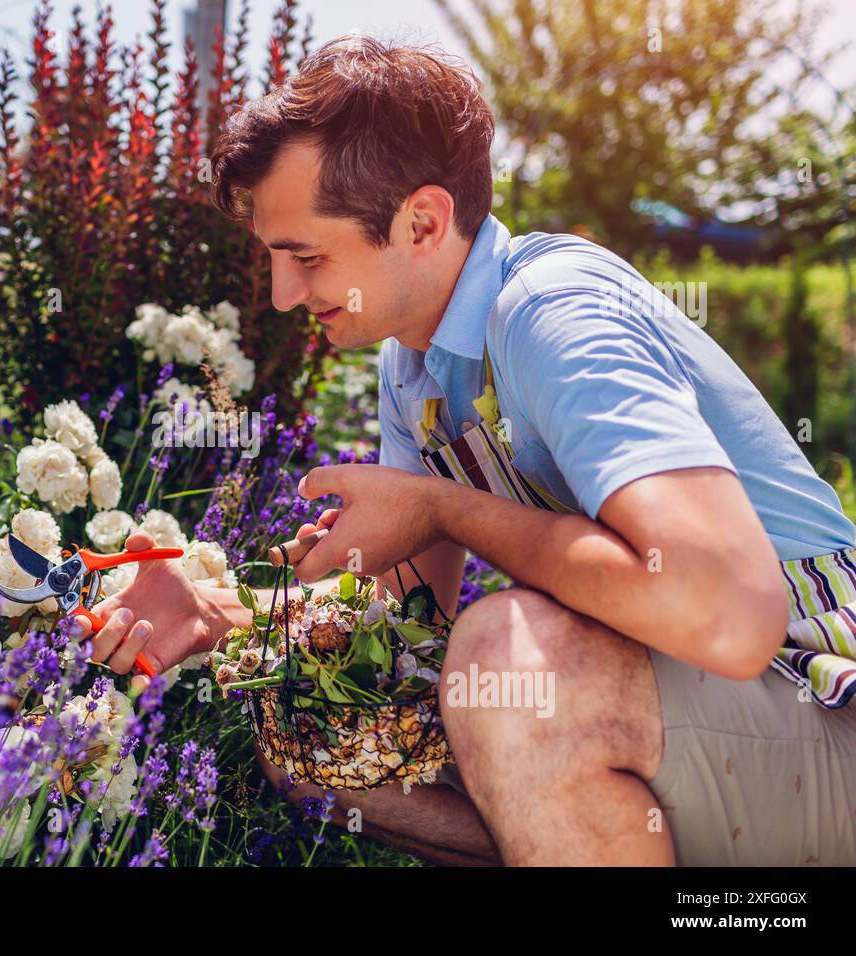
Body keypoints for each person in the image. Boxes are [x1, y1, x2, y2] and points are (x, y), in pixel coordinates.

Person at [74, 35, 856, 866]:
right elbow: (401, 618)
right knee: (317, 732)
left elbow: (728, 614)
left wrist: (444, 508)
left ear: (423, 222)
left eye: (307, 256)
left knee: (509, 656)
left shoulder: (552, 311)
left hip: (813, 686)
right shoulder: (412, 362)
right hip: (703, 713)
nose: (283, 294)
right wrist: (221, 614)